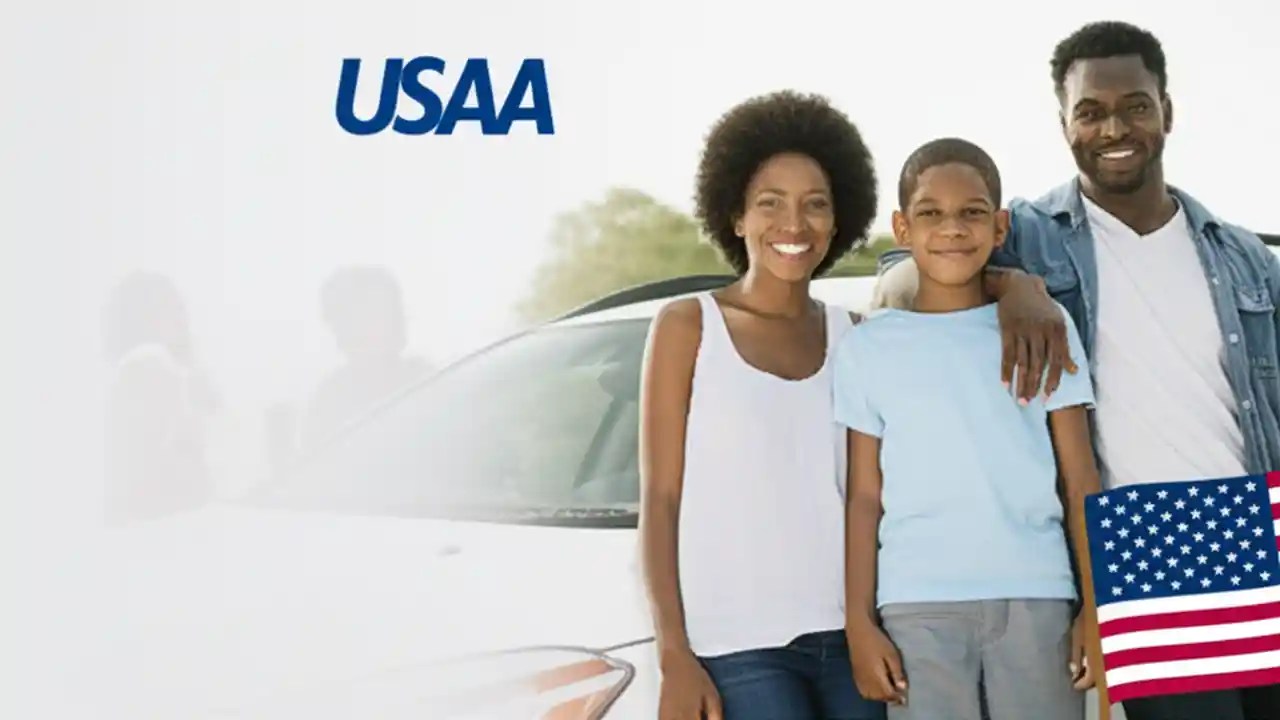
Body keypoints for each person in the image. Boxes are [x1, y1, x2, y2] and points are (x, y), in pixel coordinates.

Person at [877, 21, 1280, 720]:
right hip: (1137, 540)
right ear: (1064, 124)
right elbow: (907, 274)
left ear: (1167, 112)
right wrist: (1015, 282)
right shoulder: (1027, 235)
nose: (1113, 128)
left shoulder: (1241, 254)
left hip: (1258, 524)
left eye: (1135, 106)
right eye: (1090, 111)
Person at [638, 89, 884, 720]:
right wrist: (674, 655)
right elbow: (660, 500)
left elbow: (867, 496)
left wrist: (1018, 288)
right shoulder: (688, 327)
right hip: (734, 646)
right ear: (736, 216)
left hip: (847, 635)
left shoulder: (855, 336)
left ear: (839, 220)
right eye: (770, 202)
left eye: (815, 204)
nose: (793, 224)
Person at [837, 138, 1102, 720]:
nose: (952, 228)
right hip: (914, 606)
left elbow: (1081, 480)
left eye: (972, 212)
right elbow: (864, 498)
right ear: (902, 228)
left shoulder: (1045, 330)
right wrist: (858, 621)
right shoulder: (868, 348)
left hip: (1038, 596)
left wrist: (1096, 606)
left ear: (1000, 226)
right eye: (930, 212)